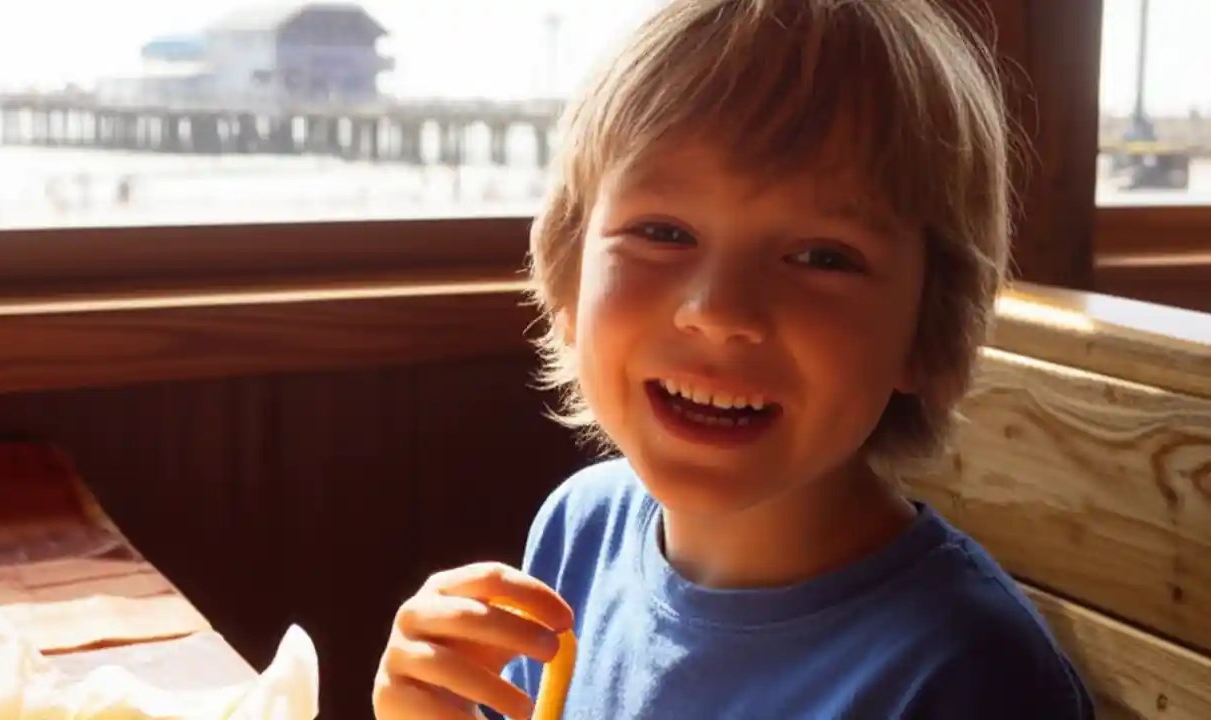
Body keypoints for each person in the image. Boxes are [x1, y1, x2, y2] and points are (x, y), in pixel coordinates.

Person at [372, 0, 1096, 717]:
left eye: (821, 257)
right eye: (662, 231)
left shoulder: (968, 677)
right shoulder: (579, 530)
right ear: (568, 279)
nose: (718, 313)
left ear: (925, 330)